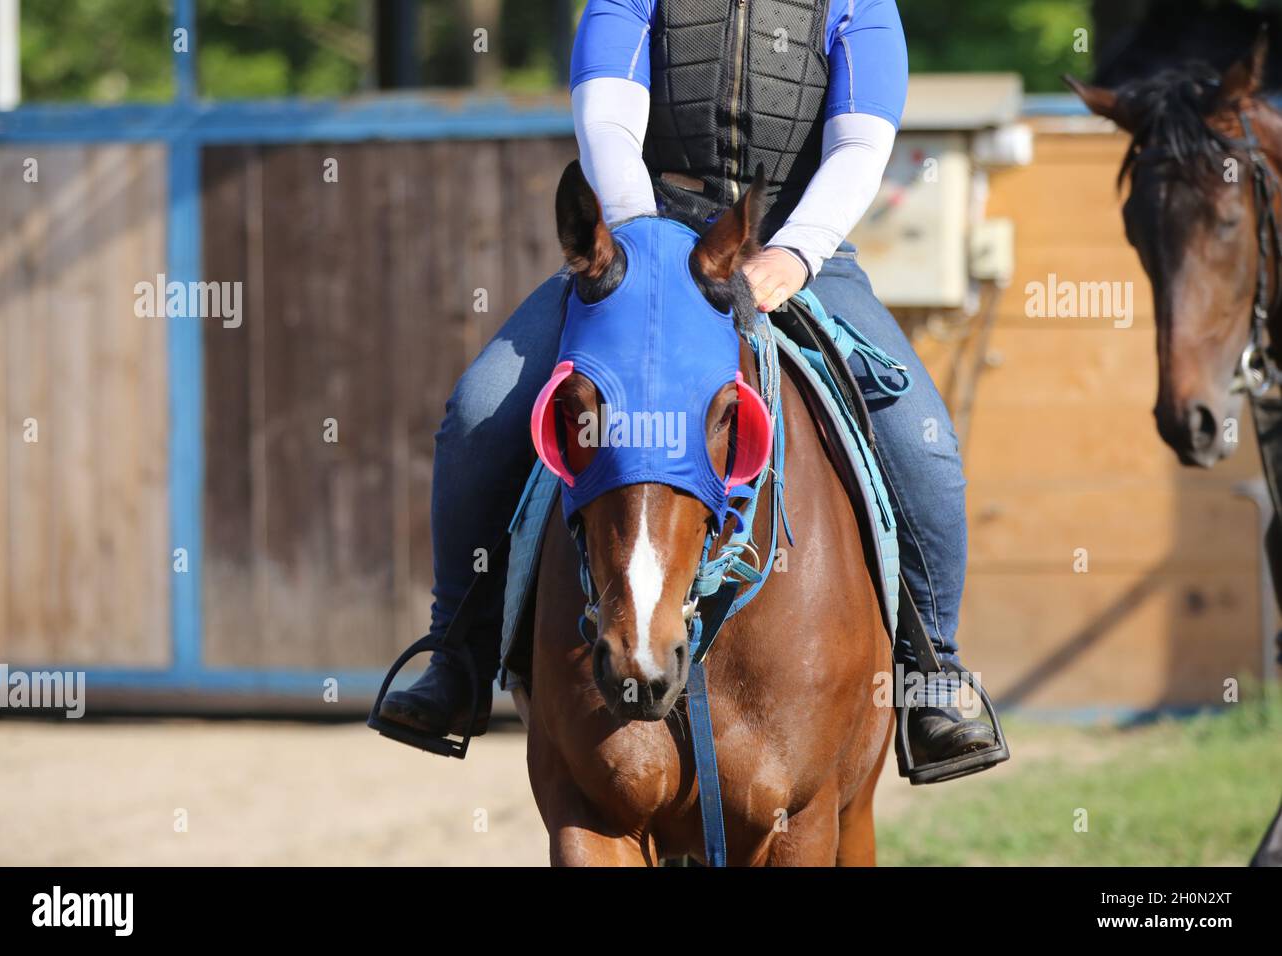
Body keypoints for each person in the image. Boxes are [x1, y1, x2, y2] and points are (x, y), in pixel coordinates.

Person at [381, 0, 1005, 783]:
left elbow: (858, 144)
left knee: (923, 441)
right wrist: (650, 258)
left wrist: (795, 256)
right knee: (481, 409)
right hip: (646, 246)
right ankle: (455, 658)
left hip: (790, 248)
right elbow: (606, 118)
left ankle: (932, 676)